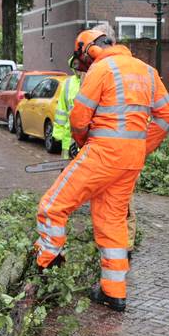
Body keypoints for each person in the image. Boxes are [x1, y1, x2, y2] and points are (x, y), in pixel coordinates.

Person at [33, 28, 169, 311]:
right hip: (131, 161)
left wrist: (82, 143)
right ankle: (114, 291)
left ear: (89, 50)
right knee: (111, 221)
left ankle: (45, 266)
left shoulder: (102, 68)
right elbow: (168, 115)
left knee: (52, 206)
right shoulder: (147, 71)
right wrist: (141, 145)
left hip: (102, 154)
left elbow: (79, 116)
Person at [51, 24, 139, 257]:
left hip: (106, 152)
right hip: (86, 149)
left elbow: (86, 119)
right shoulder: (72, 82)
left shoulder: (112, 74)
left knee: (117, 209)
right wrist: (63, 142)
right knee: (101, 208)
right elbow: (66, 116)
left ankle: (124, 247)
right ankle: (112, 261)